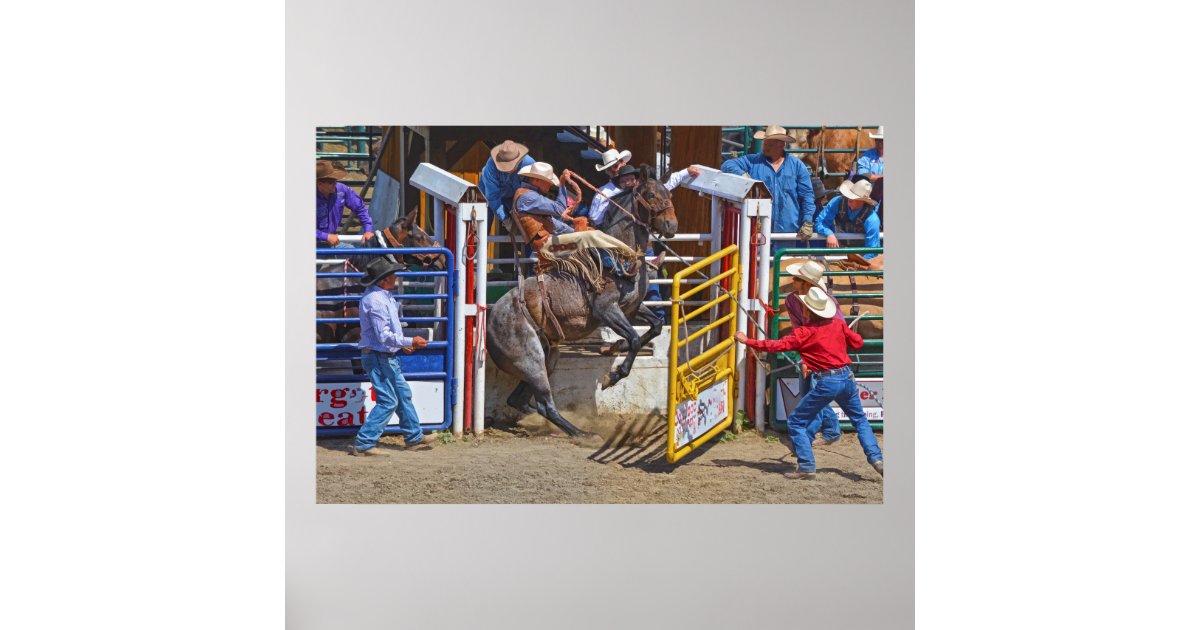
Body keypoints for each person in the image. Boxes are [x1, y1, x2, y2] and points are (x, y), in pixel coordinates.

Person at [735, 286, 883, 479]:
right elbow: (857, 343)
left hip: (827, 380)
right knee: (860, 420)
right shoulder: (837, 325)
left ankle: (807, 466)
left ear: (806, 310)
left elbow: (776, 345)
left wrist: (748, 341)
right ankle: (876, 459)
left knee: (796, 421)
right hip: (846, 377)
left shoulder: (804, 332)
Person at [350, 257, 436, 456]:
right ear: (384, 279)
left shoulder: (382, 297)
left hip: (382, 354)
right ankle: (364, 442)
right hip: (379, 355)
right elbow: (383, 335)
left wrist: (401, 344)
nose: (396, 276)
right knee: (389, 400)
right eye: (392, 274)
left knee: (401, 394)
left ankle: (413, 436)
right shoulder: (377, 301)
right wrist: (408, 342)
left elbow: (386, 334)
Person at [720, 125, 818, 252]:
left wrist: (807, 221)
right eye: (764, 143)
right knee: (757, 266)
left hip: (787, 229)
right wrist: (743, 175)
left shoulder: (797, 166)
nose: (765, 147)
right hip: (758, 229)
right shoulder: (752, 161)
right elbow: (727, 164)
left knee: (781, 266)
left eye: (770, 145)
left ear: (781, 145)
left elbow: (807, 196)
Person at [783, 261, 844, 446]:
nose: (792, 281)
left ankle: (805, 440)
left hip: (826, 353)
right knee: (813, 393)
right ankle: (831, 431)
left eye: (796, 279)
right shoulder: (792, 301)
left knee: (813, 394)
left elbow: (836, 330)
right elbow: (798, 329)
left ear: (805, 283)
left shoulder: (827, 303)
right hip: (812, 349)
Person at [813, 179, 881, 259]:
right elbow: (819, 222)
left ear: (863, 201)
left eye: (853, 198)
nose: (849, 199)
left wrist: (862, 263)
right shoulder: (837, 202)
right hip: (839, 249)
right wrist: (829, 233)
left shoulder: (872, 219)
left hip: (861, 254)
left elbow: (872, 250)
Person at [478, 140, 537, 232]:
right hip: (487, 196)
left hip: (515, 197)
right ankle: (480, 245)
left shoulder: (530, 164)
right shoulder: (490, 167)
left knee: (531, 225)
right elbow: (492, 197)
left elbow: (535, 189)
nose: (509, 168)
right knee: (483, 226)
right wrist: (506, 220)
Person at [316, 160, 374, 248]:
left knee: (357, 256)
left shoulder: (341, 190)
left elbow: (360, 207)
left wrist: (368, 230)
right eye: (331, 182)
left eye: (335, 181)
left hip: (332, 241)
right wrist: (325, 236)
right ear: (319, 183)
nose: (335, 184)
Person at [585, 147, 632, 226]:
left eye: (615, 166)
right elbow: (595, 219)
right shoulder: (603, 193)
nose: (614, 171)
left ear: (623, 164)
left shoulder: (636, 186)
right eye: (609, 169)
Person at [851, 126, 884, 215]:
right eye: (877, 140)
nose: (879, 143)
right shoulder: (868, 154)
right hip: (870, 195)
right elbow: (864, 175)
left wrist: (875, 178)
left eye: (882, 140)